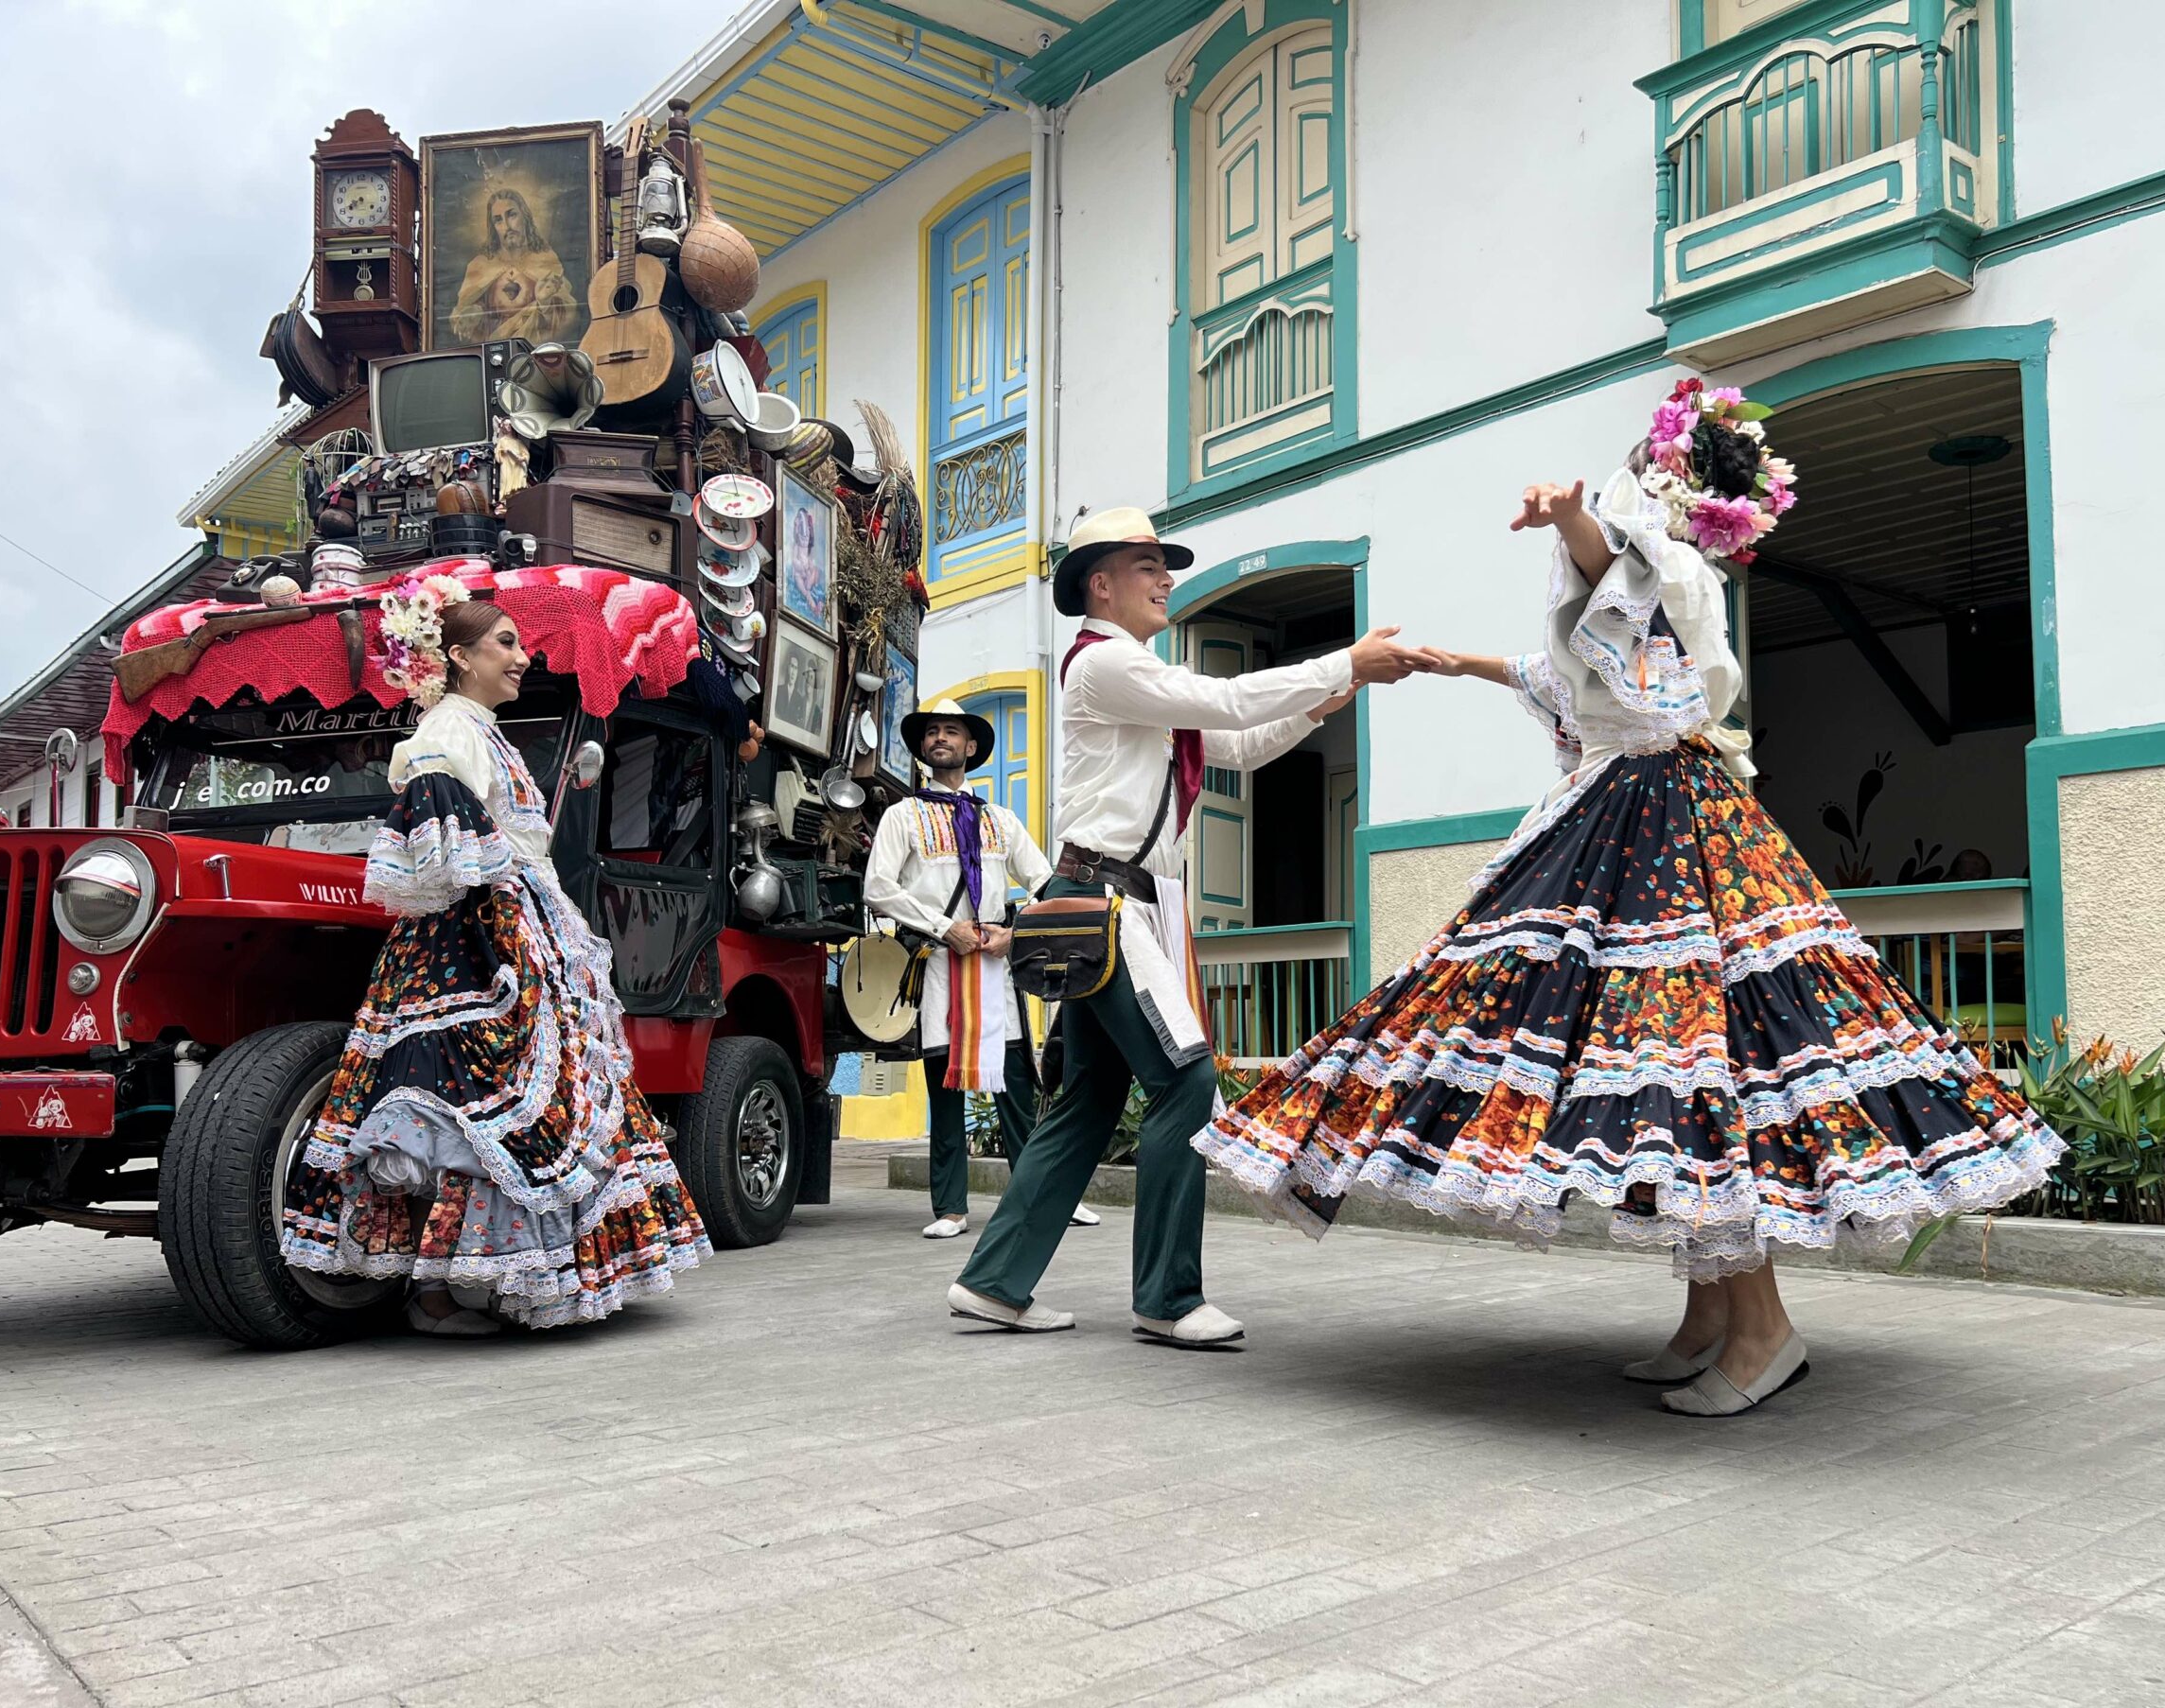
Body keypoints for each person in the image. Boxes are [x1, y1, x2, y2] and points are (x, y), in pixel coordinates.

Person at [1195, 382, 2066, 1414]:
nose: (1629, 499)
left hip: (1659, 827)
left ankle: (1763, 1330)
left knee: (1694, 1067)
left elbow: (1608, 571)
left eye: (1646, 482)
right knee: (1667, 1078)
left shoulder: (1667, 570)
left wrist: (1569, 519)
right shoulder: (1660, 603)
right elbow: (1571, 669)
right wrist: (1457, 660)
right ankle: (1710, 1317)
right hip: (1638, 814)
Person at [948, 507, 1430, 1346]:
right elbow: (1229, 700)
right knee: (1185, 1079)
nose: (1166, 579)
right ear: (1101, 584)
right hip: (1105, 904)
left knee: (1089, 1101)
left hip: (1113, 904)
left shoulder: (1138, 680)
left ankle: (993, 1282)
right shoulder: (1105, 664)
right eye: (1148, 566)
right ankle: (1167, 1299)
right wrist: (1343, 660)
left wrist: (1334, 695)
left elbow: (1239, 743)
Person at [281, 582, 709, 1333]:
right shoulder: (449, 730)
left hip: (508, 924)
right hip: (479, 939)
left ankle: (478, 1283)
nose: (521, 657)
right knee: (479, 1103)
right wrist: (501, 946)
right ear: (458, 656)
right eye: (505, 643)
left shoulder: (477, 728)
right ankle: (444, 1292)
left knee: (509, 1103)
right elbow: (453, 858)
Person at [863, 700, 1100, 1239]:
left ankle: (1045, 1198)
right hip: (940, 965)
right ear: (923, 748)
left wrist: (1016, 935)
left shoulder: (1001, 820)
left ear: (971, 747)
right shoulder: (903, 816)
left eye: (952, 731)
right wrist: (943, 927)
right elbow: (878, 887)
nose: (940, 738)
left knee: (1017, 1090)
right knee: (944, 1091)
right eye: (932, 732)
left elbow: (1044, 884)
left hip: (995, 967)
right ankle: (951, 1209)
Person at [447, 187, 582, 346]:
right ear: (493, 227)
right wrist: (475, 312)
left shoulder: (544, 259)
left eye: (512, 215)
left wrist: (545, 304)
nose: (507, 226)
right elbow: (462, 323)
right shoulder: (480, 265)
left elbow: (569, 316)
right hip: (493, 353)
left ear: (524, 216)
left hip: (533, 350)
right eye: (498, 220)